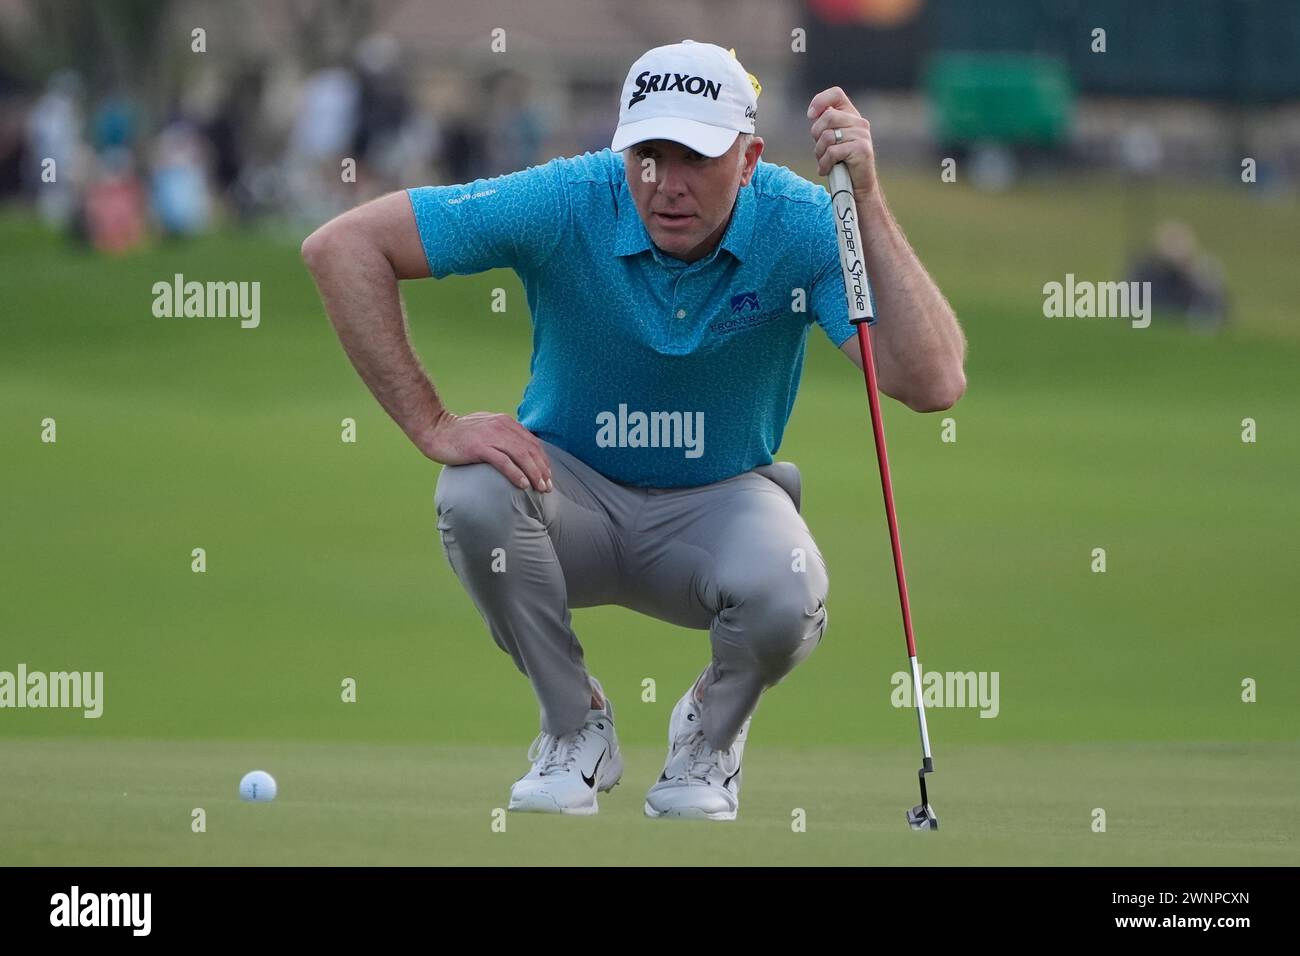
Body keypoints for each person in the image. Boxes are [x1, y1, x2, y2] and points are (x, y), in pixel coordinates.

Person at [302, 40, 966, 821]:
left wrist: (867, 201)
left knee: (790, 584)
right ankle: (574, 728)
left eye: (696, 158)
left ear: (749, 159)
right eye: (648, 156)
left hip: (718, 509)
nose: (667, 185)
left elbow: (931, 382)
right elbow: (342, 247)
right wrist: (432, 423)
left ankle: (708, 742)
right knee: (474, 493)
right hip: (565, 503)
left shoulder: (802, 224)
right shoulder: (568, 198)